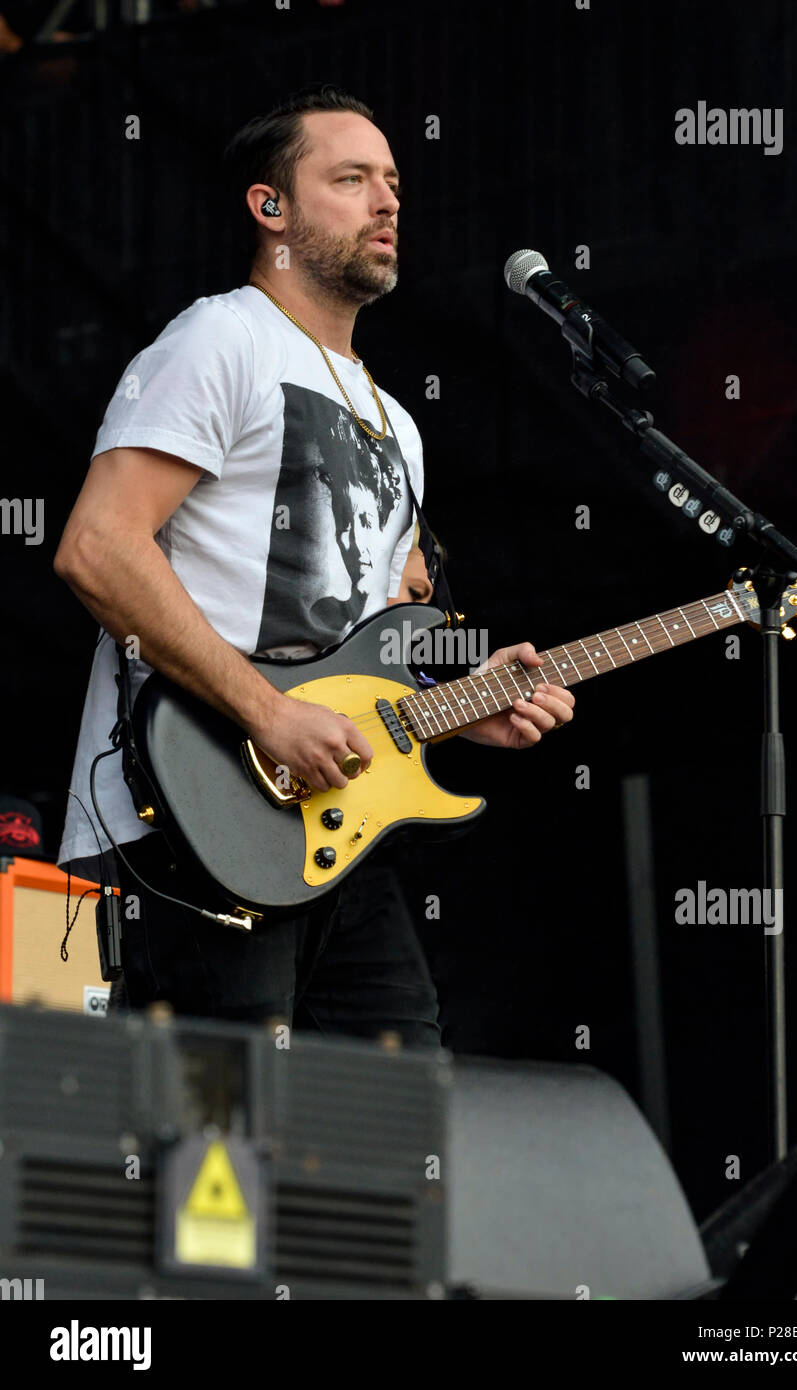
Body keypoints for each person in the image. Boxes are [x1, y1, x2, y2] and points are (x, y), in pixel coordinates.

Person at [54, 83, 574, 1044]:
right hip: (185, 821)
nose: (386, 203)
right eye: (350, 180)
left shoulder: (396, 425)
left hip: (333, 836)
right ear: (271, 208)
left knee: (387, 1130)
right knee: (220, 1163)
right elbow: (97, 548)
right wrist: (264, 712)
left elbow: (363, 661)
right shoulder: (221, 339)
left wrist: (462, 702)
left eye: (392, 183)